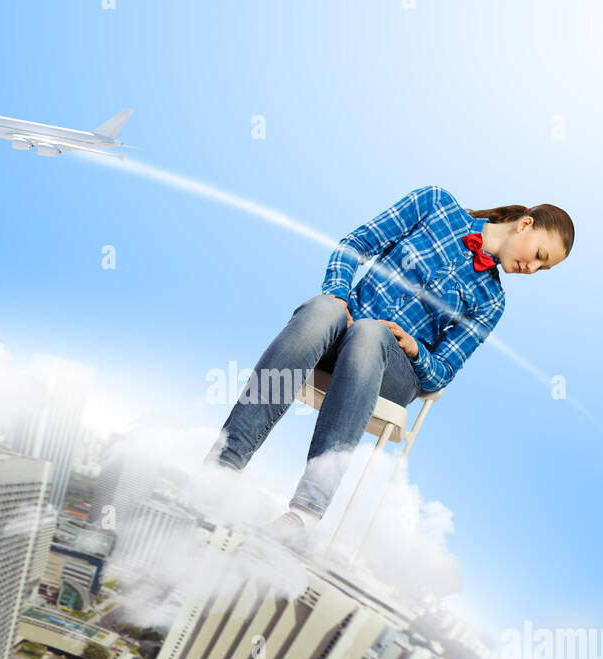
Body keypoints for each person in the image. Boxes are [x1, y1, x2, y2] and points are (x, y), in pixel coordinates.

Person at [205, 184, 574, 541]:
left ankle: (303, 515)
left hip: (392, 372)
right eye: (540, 255)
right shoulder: (435, 203)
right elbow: (356, 244)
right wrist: (338, 298)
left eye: (543, 269)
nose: (532, 269)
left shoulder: (492, 301)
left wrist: (415, 349)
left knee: (369, 333)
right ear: (526, 224)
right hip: (340, 333)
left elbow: (441, 373)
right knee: (322, 308)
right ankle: (221, 468)